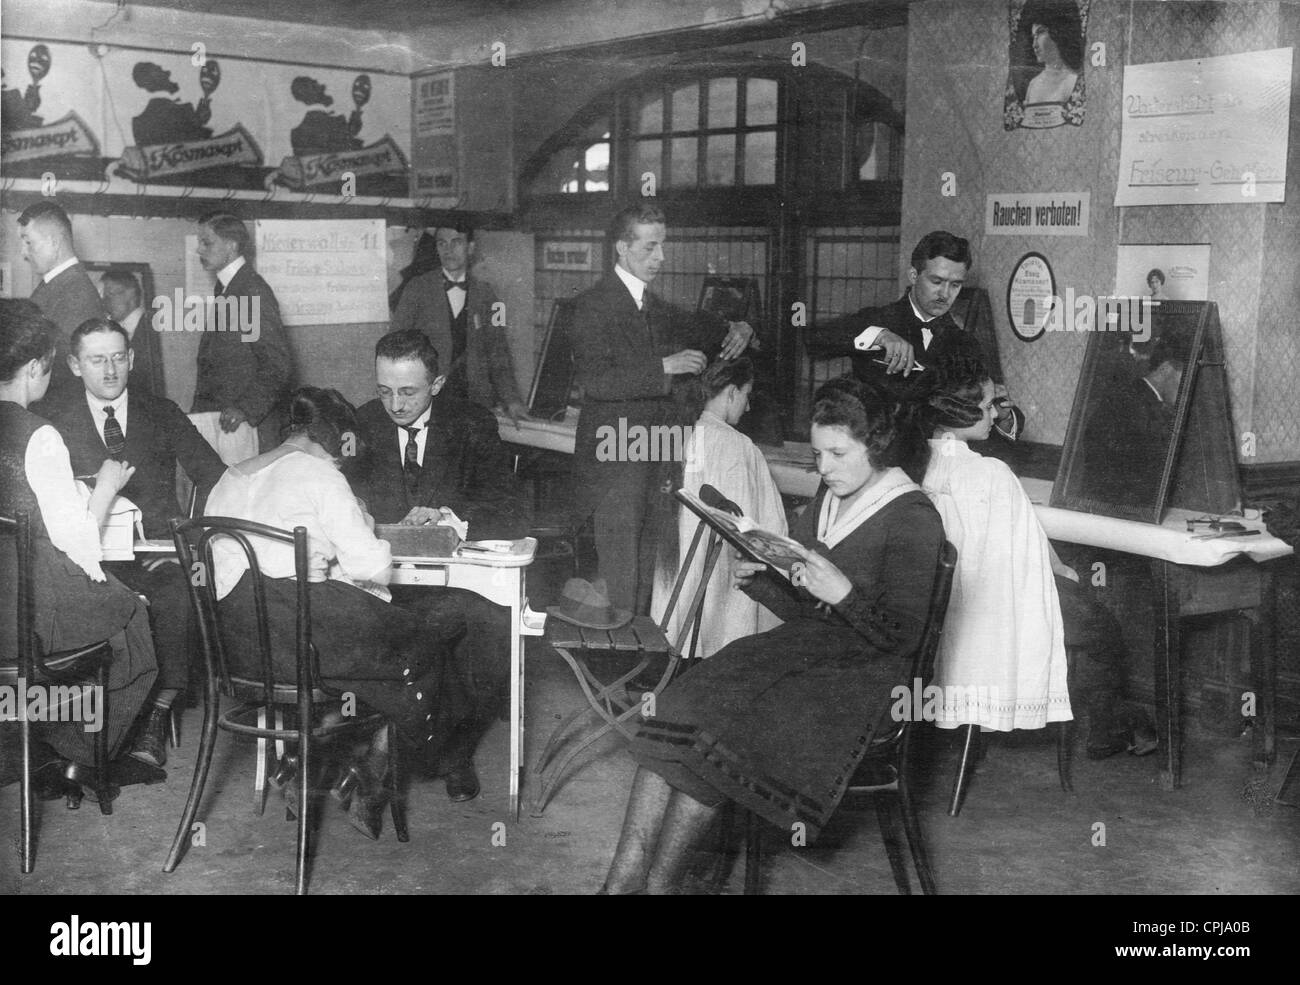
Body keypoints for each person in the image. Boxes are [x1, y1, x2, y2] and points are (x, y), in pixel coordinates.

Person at [602, 377, 943, 894]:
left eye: (836, 453)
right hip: (805, 655)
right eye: (817, 453)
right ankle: (621, 884)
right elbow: (805, 612)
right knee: (674, 706)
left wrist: (843, 592)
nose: (823, 468)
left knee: (715, 733)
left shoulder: (913, 516)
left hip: (863, 682)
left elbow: (903, 638)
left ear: (876, 444)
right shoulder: (830, 500)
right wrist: (763, 582)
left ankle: (658, 889)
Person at [204, 388, 465, 837]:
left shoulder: (227, 478)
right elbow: (376, 568)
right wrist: (364, 524)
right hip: (299, 637)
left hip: (240, 648)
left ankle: (306, 761)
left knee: (381, 649)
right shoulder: (319, 475)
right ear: (330, 439)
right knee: (428, 637)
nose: (341, 463)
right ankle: (368, 776)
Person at [349, 328, 524, 801]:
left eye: (408, 391)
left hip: (453, 583)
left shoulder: (472, 424)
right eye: (384, 391)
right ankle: (388, 739)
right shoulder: (360, 425)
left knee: (488, 627)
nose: (396, 405)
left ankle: (455, 749)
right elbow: (340, 497)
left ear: (438, 384)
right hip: (381, 581)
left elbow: (507, 507)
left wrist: (453, 520)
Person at [44, 317, 226, 767]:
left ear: (132, 359)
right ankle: (83, 727)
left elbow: (215, 476)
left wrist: (193, 531)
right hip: (87, 557)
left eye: (119, 358)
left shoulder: (160, 411)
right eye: (96, 360)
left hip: (155, 553)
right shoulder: (51, 423)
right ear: (73, 364)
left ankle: (155, 715)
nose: (110, 371)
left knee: (176, 595)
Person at [0, 300, 158, 804]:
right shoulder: (39, 434)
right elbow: (81, 541)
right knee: (132, 615)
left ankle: (33, 746)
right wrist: (107, 486)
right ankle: (77, 756)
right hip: (28, 605)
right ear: (34, 369)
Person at [571, 202, 754, 614]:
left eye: (662, 246)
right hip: (615, 455)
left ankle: (637, 661)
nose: (661, 257)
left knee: (649, 565)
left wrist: (739, 327)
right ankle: (618, 660)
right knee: (622, 571)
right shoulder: (591, 306)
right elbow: (596, 382)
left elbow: (701, 323)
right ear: (622, 247)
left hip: (656, 451)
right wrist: (664, 368)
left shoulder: (655, 307)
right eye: (650, 247)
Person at [916, 353, 1072, 732]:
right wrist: (1062, 569)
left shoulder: (919, 464)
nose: (994, 415)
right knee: (1101, 628)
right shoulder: (990, 472)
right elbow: (1027, 558)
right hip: (985, 616)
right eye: (987, 407)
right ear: (961, 412)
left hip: (935, 612)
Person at [816, 230, 1025, 444]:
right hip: (869, 463)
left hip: (931, 467)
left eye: (955, 285)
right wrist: (879, 335)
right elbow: (815, 339)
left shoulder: (967, 344)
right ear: (914, 276)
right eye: (936, 281)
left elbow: (982, 413)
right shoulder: (877, 319)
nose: (945, 294)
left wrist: (1004, 416)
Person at [649, 357, 786, 659]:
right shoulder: (737, 446)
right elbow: (757, 529)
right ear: (732, 393)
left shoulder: (679, 434)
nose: (747, 407)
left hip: (681, 585)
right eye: (747, 396)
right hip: (721, 584)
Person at [388, 224, 530, 422]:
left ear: (470, 247)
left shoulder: (488, 295)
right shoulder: (417, 288)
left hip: (474, 402)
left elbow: (499, 352)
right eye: (442, 243)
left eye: (456, 242)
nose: (448, 250)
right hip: (429, 403)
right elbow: (395, 346)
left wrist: (512, 400)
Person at [191, 211, 295, 454]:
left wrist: (245, 409)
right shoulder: (228, 288)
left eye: (207, 243)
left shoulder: (252, 290)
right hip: (225, 425)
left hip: (245, 427)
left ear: (231, 246)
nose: (199, 250)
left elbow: (277, 364)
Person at [1079, 331, 1188, 509]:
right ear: (1166, 369)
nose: (1185, 391)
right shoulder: (1136, 405)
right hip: (1119, 505)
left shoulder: (1132, 396)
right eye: (1184, 378)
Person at [18, 202, 104, 403]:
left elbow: (65, 375)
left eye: (28, 242)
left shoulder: (76, 292)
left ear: (54, 242)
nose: (23, 253)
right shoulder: (56, 284)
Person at [100, 269, 159, 395]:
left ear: (131, 294)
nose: (104, 302)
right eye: (103, 297)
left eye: (110, 294)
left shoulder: (153, 326)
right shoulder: (113, 330)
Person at [129, 62, 212, 147]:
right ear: (155, 80)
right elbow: (195, 128)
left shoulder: (158, 109)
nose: (169, 73)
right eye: (161, 71)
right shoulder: (170, 108)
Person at [288, 76, 362, 156]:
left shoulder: (299, 131)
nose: (328, 95)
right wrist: (358, 107)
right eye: (322, 89)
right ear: (313, 92)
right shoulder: (333, 122)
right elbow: (350, 134)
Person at [1023, 13, 1082, 106]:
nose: (1034, 45)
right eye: (1033, 37)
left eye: (1040, 33)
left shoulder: (1073, 80)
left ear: (1056, 33)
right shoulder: (1033, 84)